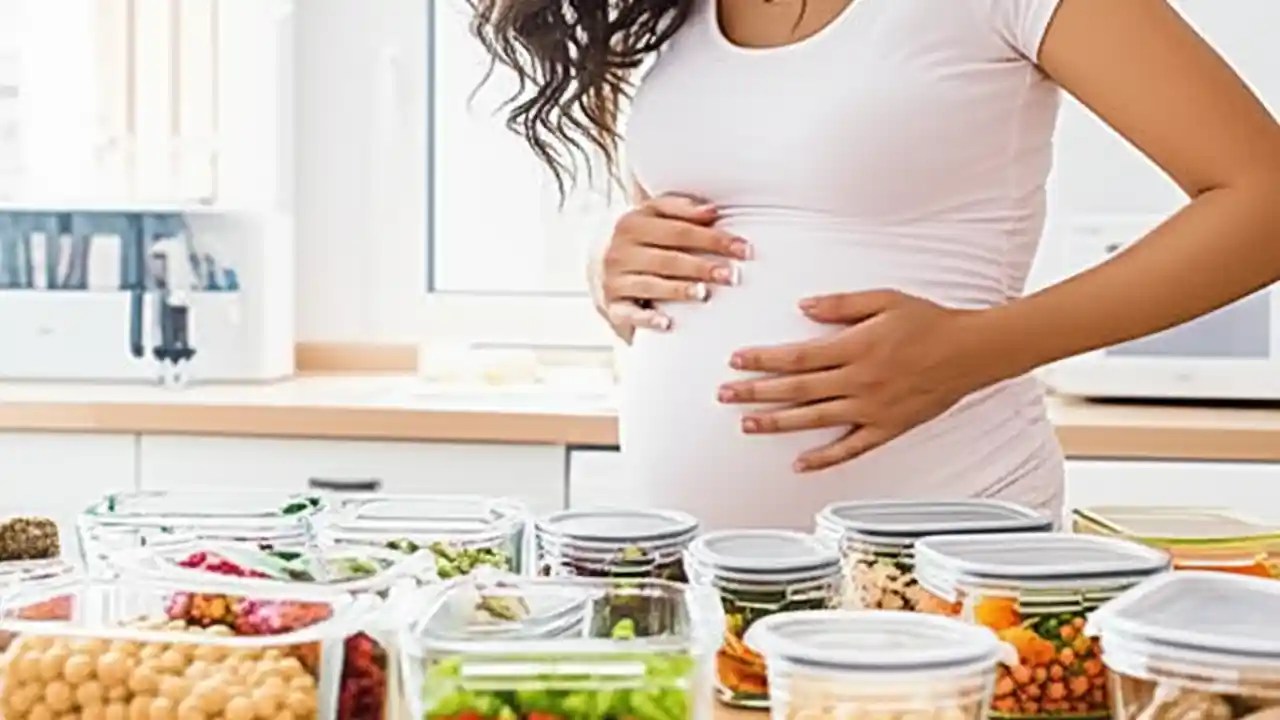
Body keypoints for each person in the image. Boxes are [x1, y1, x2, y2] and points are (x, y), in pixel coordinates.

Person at [469, 0, 1280, 530]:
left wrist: (977, 350)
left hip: (946, 555)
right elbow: (715, 217)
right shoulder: (679, 16)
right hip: (704, 572)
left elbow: (1264, 200)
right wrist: (609, 260)